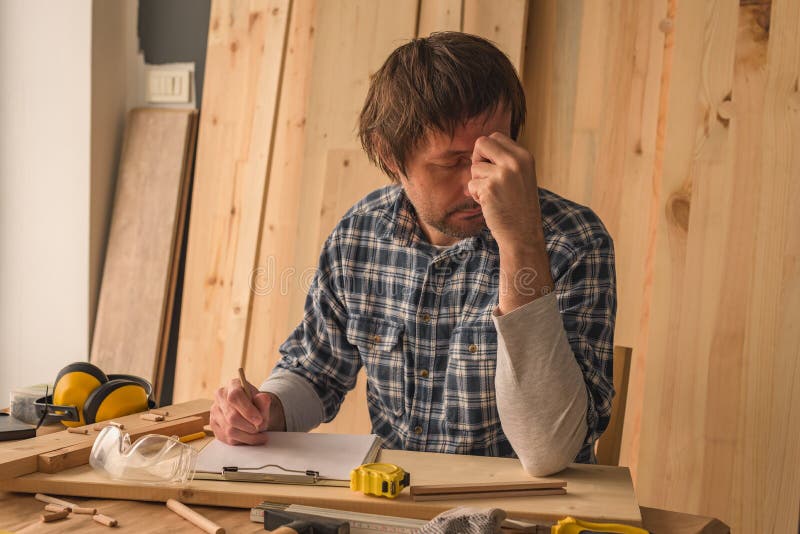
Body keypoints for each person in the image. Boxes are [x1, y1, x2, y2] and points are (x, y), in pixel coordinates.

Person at [209, 32, 616, 476]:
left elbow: (548, 450)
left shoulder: (572, 241)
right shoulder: (361, 234)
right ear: (389, 155)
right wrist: (266, 409)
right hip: (394, 507)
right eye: (452, 162)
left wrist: (520, 242)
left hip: (525, 514)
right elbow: (316, 370)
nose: (477, 185)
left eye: (491, 154)